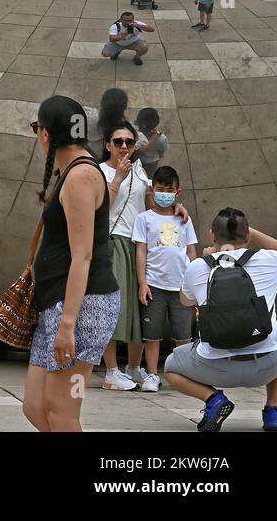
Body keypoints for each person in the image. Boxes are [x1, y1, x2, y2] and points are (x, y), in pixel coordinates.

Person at [22, 96, 120, 432]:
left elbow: (84, 255)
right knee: (36, 406)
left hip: (82, 308)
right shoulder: (80, 171)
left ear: (46, 134)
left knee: (63, 412)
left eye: (37, 128)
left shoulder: (79, 176)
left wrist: (67, 325)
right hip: (60, 304)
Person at [164, 208, 277, 432]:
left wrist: (207, 258)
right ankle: (274, 411)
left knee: (170, 367)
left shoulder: (198, 266)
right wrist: (252, 233)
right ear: (247, 236)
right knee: (275, 336)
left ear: (213, 235)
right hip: (268, 365)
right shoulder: (271, 260)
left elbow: (186, 301)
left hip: (214, 366)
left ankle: (213, 399)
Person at [98, 120, 152, 391]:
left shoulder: (140, 170)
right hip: (113, 240)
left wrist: (176, 208)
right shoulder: (98, 171)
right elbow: (99, 207)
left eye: (129, 142)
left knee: (137, 308)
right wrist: (117, 177)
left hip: (138, 244)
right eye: (118, 142)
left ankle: (133, 367)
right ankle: (111, 371)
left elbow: (149, 204)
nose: (123, 147)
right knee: (114, 307)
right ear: (107, 145)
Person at [132, 165, 197, 392]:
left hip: (181, 287)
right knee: (152, 335)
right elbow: (141, 251)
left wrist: (195, 284)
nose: (164, 193)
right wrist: (142, 283)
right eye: (160, 189)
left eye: (169, 190)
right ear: (152, 189)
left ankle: (184, 374)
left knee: (183, 335)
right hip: (154, 286)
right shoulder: (144, 219)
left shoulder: (184, 219)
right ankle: (151, 375)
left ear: (178, 192)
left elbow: (191, 252)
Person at [133, 107, 169, 173]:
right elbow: (162, 149)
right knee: (149, 174)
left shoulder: (133, 131)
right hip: (151, 161)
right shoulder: (161, 139)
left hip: (137, 159)